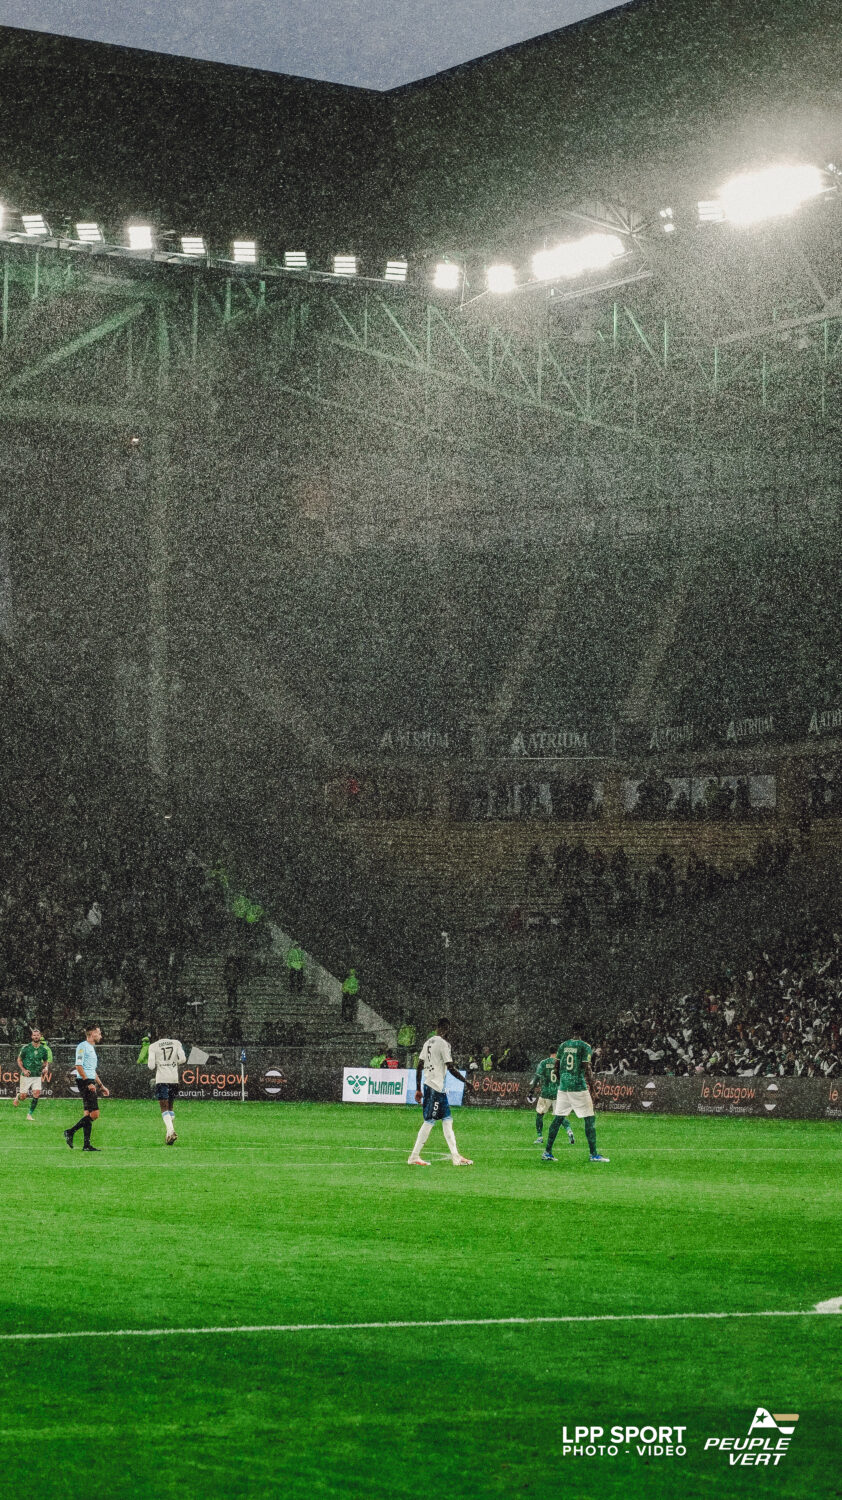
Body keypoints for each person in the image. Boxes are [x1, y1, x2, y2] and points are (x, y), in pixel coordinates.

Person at [408, 1018, 472, 1167]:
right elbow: (450, 1067)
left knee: (448, 1120)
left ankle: (455, 1156)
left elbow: (419, 1066)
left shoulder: (428, 1042)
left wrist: (418, 1088)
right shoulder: (444, 1044)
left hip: (432, 1087)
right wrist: (466, 1081)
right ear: (447, 1028)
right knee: (429, 1121)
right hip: (435, 1088)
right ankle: (414, 1156)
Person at [543, 1036, 608, 1163]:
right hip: (578, 1087)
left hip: (564, 1087)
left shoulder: (563, 1045)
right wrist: (593, 1090)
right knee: (589, 1118)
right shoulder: (585, 1046)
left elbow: (556, 1066)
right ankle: (593, 1154)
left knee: (558, 1118)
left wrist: (562, 1081)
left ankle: (547, 1152)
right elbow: (587, 1068)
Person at [64, 1024, 109, 1153]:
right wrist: (88, 1082)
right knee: (95, 1114)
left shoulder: (91, 1048)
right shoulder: (82, 1046)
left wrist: (101, 1085)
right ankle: (70, 1132)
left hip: (88, 1081)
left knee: (87, 1114)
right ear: (92, 1033)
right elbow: (78, 1066)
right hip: (85, 1082)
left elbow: (92, 1070)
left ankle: (86, 1145)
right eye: (99, 1033)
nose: (100, 1035)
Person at [527, 1055, 574, 1149]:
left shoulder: (544, 1063)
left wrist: (532, 1090)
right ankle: (569, 1131)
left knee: (540, 1114)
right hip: (558, 1093)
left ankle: (540, 1137)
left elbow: (537, 1077)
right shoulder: (560, 1062)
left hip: (546, 1093)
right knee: (560, 1116)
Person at [147, 1034, 186, 1145]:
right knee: (170, 1107)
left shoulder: (153, 1046)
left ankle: (171, 1131)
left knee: (164, 1108)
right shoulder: (176, 1043)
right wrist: (174, 1063)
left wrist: (160, 1063)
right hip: (174, 1079)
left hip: (162, 1079)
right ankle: (168, 1136)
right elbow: (183, 1059)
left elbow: (151, 1066)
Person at [13, 1027, 52, 1122]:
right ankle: (18, 1096)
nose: (36, 1037)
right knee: (23, 1096)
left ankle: (29, 1114)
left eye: (37, 1035)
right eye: (34, 1035)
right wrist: (24, 1070)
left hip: (37, 1075)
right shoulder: (26, 1048)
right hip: (26, 1075)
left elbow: (45, 1061)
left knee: (36, 1093)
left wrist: (45, 1068)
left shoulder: (43, 1049)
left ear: (40, 1036)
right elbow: (19, 1060)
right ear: (31, 1036)